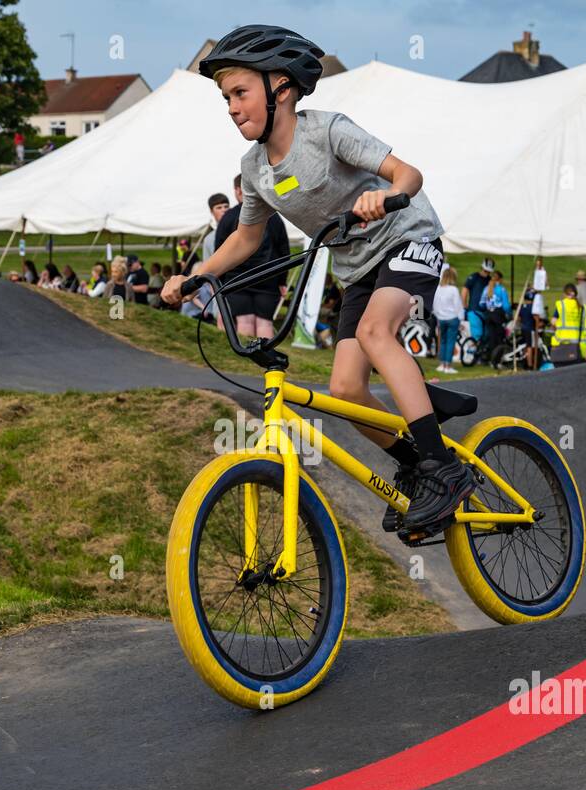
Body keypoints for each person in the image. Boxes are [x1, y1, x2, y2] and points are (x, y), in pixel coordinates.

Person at [163, 25, 472, 537]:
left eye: (240, 93)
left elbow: (410, 175)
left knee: (376, 333)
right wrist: (195, 276)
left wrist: (385, 194)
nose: (232, 107)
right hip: (357, 269)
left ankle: (443, 469)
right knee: (346, 387)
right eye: (226, 98)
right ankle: (416, 465)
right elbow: (243, 239)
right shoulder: (255, 168)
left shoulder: (327, 131)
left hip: (407, 239)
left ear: (280, 88)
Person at [214, 171, 291, 339]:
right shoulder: (273, 216)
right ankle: (268, 360)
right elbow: (284, 251)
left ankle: (247, 360)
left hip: (237, 279)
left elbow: (219, 251)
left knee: (245, 321)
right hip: (268, 278)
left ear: (238, 191)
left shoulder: (228, 217)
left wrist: (220, 281)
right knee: (265, 322)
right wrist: (281, 281)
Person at [431, 265, 463, 374]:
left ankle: (441, 364)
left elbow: (434, 305)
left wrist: (438, 315)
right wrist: (461, 320)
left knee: (443, 341)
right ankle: (448, 366)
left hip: (441, 319)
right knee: (450, 342)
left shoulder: (438, 289)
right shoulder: (453, 290)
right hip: (452, 318)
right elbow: (458, 306)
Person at [550, 283, 586, 362]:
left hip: (562, 345)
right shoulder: (583, 309)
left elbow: (553, 322)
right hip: (579, 348)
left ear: (564, 293)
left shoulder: (561, 305)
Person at [198, 194, 231, 269]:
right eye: (219, 207)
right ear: (211, 211)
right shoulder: (209, 239)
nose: (224, 210)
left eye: (226, 206)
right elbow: (207, 268)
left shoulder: (240, 231)